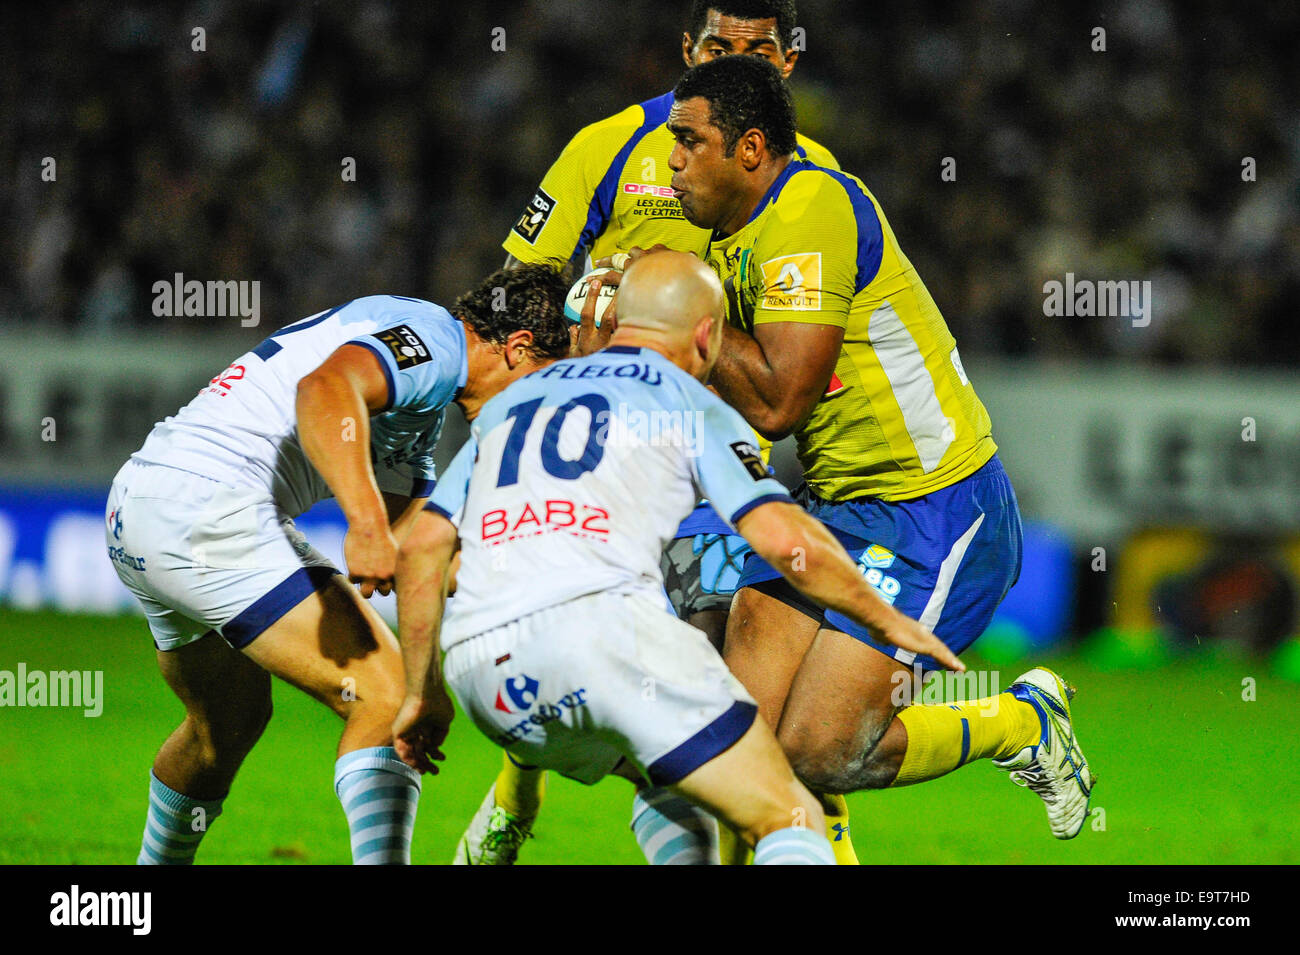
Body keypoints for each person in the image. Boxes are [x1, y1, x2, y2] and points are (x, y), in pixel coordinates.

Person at [391, 251, 962, 865]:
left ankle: (509, 815)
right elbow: (782, 537)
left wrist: (422, 695)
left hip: (486, 681)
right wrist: (882, 617)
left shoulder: (512, 403)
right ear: (706, 334)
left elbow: (423, 546)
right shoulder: (688, 402)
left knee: (668, 779)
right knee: (788, 814)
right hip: (599, 642)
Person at [660, 55, 1095, 857]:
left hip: (936, 508)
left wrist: (675, 312)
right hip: (834, 507)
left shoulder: (808, 212)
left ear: (749, 149)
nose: (672, 159)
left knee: (820, 749)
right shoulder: (722, 243)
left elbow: (782, 400)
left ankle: (1019, 720)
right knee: (737, 749)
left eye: (689, 140)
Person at [468, 0, 852, 866]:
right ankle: (517, 785)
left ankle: (778, 831)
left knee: (722, 685)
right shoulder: (608, 144)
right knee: (594, 645)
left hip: (712, 455)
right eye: (721, 48)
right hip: (603, 461)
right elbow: (512, 294)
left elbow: (798, 353)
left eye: (759, 51)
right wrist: (585, 330)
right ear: (688, 52)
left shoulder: (812, 178)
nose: (740, 62)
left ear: (788, 63)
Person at [105, 265, 571, 864]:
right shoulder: (432, 340)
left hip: (142, 506)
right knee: (381, 697)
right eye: (549, 383)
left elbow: (420, 553)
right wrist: (366, 522)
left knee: (227, 724)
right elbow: (324, 391)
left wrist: (435, 680)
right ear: (517, 348)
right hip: (207, 509)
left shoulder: (418, 406)